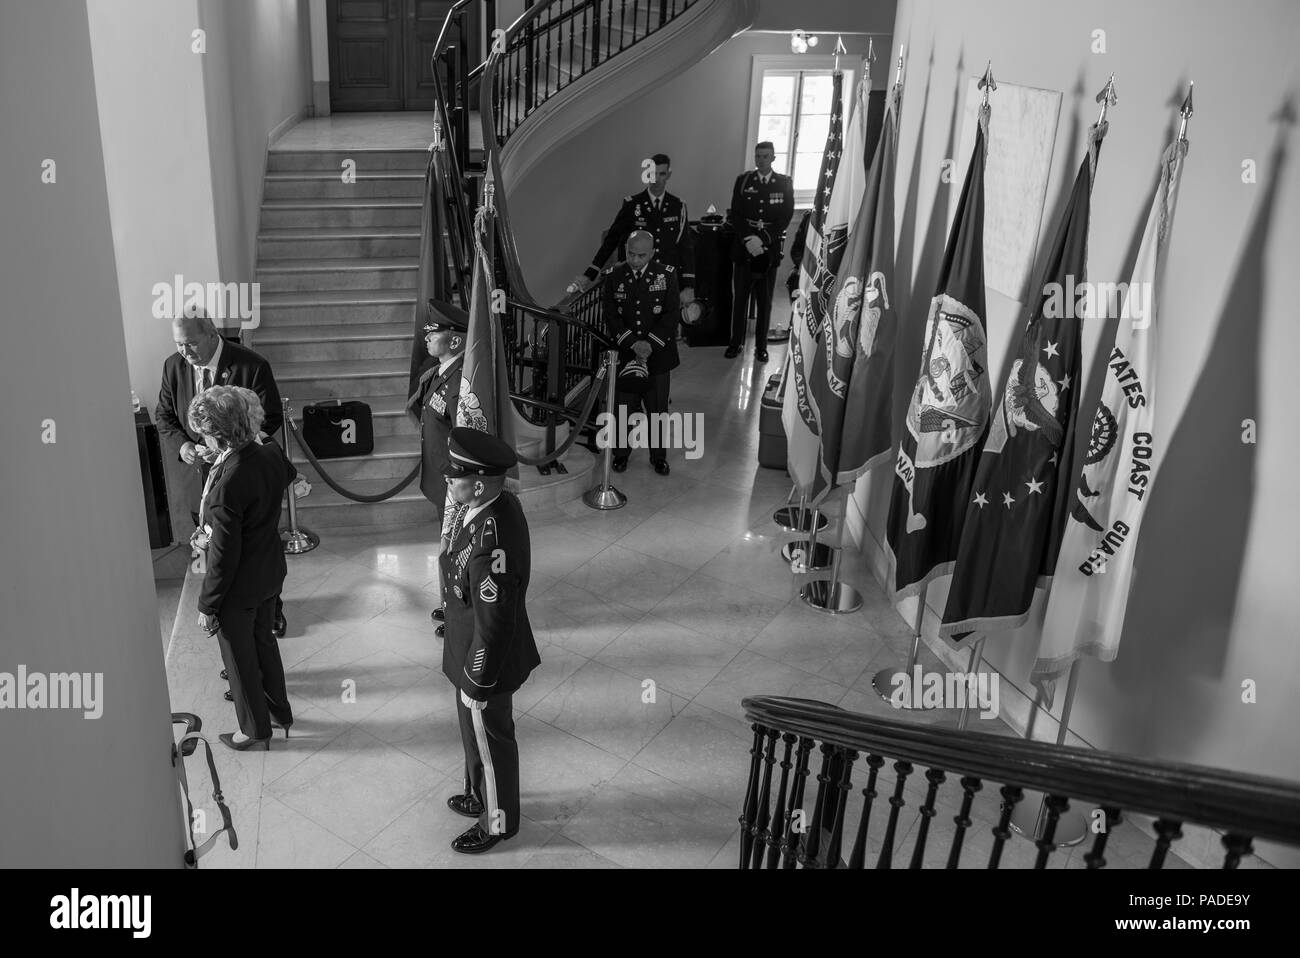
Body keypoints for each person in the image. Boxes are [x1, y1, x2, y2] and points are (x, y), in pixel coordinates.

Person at [158, 309, 290, 638]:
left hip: (243, 470)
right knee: (218, 544)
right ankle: (225, 602)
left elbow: (270, 417)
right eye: (178, 344)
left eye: (189, 344)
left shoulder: (251, 365)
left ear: (212, 334)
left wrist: (231, 446)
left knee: (256, 543)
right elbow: (165, 416)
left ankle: (272, 610)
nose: (184, 353)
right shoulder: (173, 366)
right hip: (200, 475)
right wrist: (185, 447)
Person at [438, 427, 540, 854]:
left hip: (486, 663)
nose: (448, 480)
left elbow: (495, 623)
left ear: (478, 484)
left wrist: (477, 682)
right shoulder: (486, 507)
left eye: (455, 476)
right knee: (474, 735)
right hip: (468, 649)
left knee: (492, 740)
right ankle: (479, 793)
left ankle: (497, 822)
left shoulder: (492, 537)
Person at [188, 386, 296, 752]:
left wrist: (208, 604)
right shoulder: (268, 453)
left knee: (239, 658)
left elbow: (224, 555)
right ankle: (280, 712)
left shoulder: (228, 484)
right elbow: (285, 476)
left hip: (239, 583)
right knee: (264, 643)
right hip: (269, 570)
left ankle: (253, 730)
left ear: (217, 432)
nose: (202, 438)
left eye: (203, 431)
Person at [405, 299, 467, 636]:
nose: (427, 338)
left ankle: (458, 611)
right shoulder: (442, 373)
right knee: (448, 545)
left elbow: (463, 435)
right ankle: (450, 603)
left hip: (454, 481)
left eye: (434, 333)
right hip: (441, 478)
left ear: (454, 339)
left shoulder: (461, 380)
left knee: (456, 547)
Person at [568, 153, 695, 309]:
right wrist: (589, 274)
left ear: (668, 175)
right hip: (636, 281)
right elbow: (611, 240)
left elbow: (685, 248)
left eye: (661, 174)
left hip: (665, 281)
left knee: (664, 329)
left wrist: (688, 286)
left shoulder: (678, 206)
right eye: (653, 174)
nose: (656, 179)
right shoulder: (632, 204)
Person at [602, 230, 679, 476]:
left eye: (641, 255)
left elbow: (671, 314)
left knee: (657, 410)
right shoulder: (615, 275)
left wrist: (649, 344)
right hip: (626, 354)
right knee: (623, 408)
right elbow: (611, 315)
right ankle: (621, 454)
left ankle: (658, 457)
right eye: (631, 254)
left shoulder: (666, 275)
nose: (635, 260)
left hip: (658, 356)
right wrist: (633, 344)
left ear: (652, 253)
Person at [725, 141, 795, 362]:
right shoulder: (744, 181)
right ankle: (735, 343)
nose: (761, 160)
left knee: (764, 301)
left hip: (768, 250)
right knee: (740, 299)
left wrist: (762, 239)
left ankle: (761, 346)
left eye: (765, 156)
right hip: (745, 248)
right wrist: (748, 239)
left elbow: (785, 216)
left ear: (773, 158)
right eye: (758, 156)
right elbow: (734, 214)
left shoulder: (783, 183)